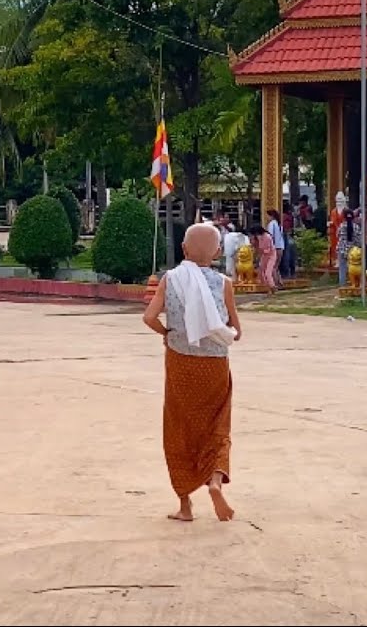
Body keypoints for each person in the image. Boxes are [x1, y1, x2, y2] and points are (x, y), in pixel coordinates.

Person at [142, 222, 242, 522]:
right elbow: (236, 330)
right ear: (218, 252)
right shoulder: (224, 283)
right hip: (214, 365)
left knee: (178, 428)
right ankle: (214, 481)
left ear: (184, 250)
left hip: (180, 363)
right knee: (217, 425)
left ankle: (185, 506)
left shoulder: (170, 279)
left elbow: (148, 317)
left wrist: (167, 332)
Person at [336, 208, 361, 287]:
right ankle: (354, 284)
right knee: (354, 269)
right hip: (353, 252)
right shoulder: (356, 227)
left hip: (342, 249)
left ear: (343, 217)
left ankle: (342, 285)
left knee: (342, 269)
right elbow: (358, 240)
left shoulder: (341, 226)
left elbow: (338, 236)